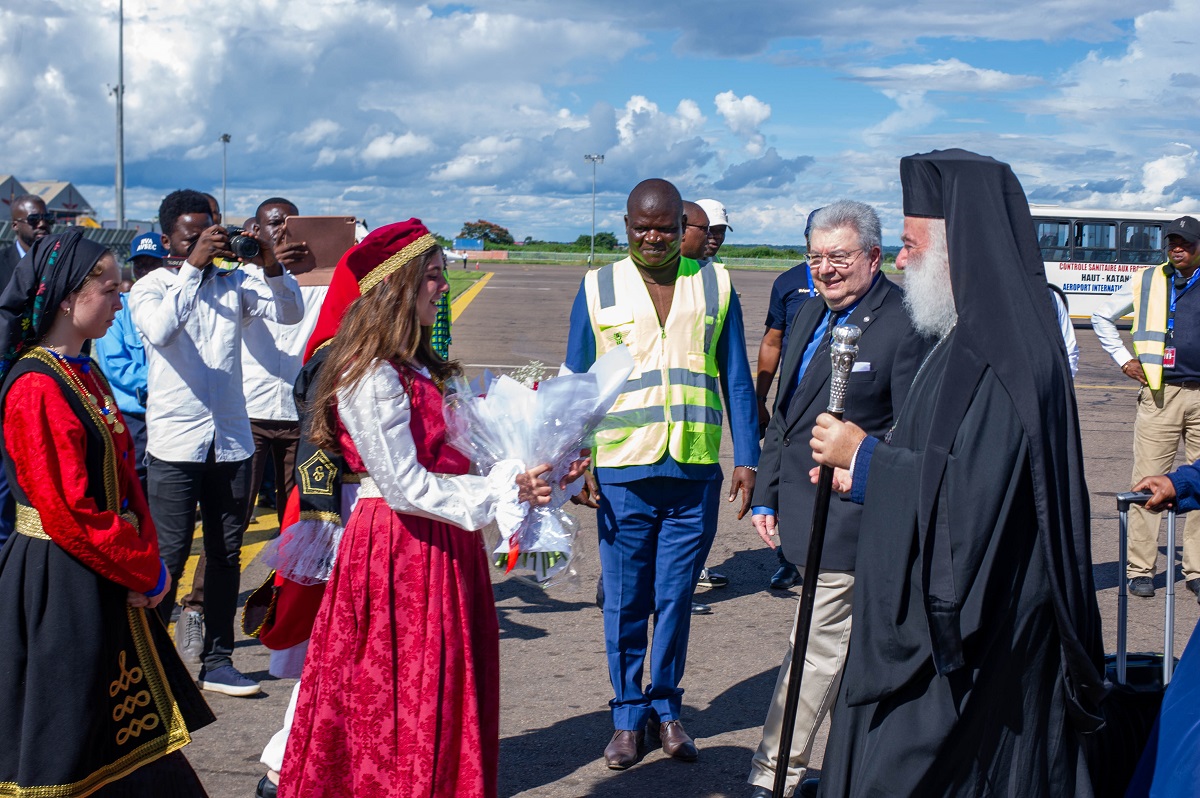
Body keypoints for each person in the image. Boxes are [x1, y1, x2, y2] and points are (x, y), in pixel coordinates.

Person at [809, 149, 1106, 796]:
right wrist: (872, 468)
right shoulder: (975, 339)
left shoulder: (1004, 359)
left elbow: (970, 506)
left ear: (960, 248)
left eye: (912, 245)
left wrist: (865, 459)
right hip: (992, 612)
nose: (900, 260)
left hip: (978, 627)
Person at [279, 219, 575, 798]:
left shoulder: (418, 368)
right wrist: (504, 489)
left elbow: (463, 460)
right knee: (397, 689)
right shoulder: (369, 373)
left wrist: (542, 468)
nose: (442, 287)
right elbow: (405, 485)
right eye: (432, 277)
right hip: (399, 545)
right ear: (396, 286)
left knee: (437, 684)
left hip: (440, 543)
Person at [0, 229, 214, 795]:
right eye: (110, 287)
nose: (121, 299)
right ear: (70, 295)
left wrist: (147, 561)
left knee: (114, 736)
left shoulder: (83, 373)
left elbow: (123, 479)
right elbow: (69, 509)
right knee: (66, 737)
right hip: (59, 579)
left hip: (99, 568)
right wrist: (146, 571)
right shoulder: (35, 385)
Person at [565, 179, 759, 769]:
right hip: (622, 468)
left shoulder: (717, 284)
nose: (653, 238)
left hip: (694, 468)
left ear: (685, 226)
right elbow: (575, 385)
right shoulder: (598, 288)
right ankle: (627, 717)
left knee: (675, 599)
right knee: (625, 601)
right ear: (625, 225)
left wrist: (747, 457)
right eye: (641, 227)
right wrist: (576, 460)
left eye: (665, 228)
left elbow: (738, 379)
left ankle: (667, 709)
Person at [746, 200, 928, 798]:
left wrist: (865, 457)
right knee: (827, 651)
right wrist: (768, 494)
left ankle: (773, 775)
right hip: (800, 511)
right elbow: (787, 420)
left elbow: (914, 433)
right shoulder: (808, 313)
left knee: (815, 652)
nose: (825, 270)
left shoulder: (905, 323)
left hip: (854, 518)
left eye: (839, 257)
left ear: (873, 258)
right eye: (815, 257)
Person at [130, 189, 303, 696]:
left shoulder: (235, 282)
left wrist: (269, 261)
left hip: (230, 442)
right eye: (192, 237)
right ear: (169, 242)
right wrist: (193, 268)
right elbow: (162, 330)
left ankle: (218, 661)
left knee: (227, 554)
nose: (206, 243)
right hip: (176, 445)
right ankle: (146, 665)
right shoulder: (151, 286)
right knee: (169, 555)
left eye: (212, 233)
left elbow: (289, 313)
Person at [1091, 215, 1200, 599]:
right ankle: (1140, 568)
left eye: (1185, 241)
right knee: (1147, 482)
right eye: (1172, 241)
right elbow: (1101, 314)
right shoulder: (1150, 279)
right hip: (1161, 394)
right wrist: (1123, 359)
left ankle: (1197, 568)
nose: (1177, 247)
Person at [241, 197, 325, 526]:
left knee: (296, 517)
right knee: (235, 512)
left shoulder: (318, 279)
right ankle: (215, 581)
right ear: (256, 229)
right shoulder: (241, 278)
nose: (283, 230)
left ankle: (286, 579)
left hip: (298, 412)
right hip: (250, 412)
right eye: (275, 223)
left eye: (291, 223)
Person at [754, 208, 821, 591]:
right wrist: (760, 397)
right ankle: (789, 559)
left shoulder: (852, 280)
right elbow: (772, 340)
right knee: (786, 478)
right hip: (792, 398)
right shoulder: (789, 282)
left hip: (838, 394)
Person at [94, 232, 168, 497]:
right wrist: (169, 379)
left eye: (153, 263)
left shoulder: (179, 307)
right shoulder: (118, 311)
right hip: (135, 416)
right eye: (140, 264)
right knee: (135, 480)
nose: (145, 271)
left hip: (173, 413)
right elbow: (116, 366)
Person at [0, 194, 52, 289]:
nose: (42, 224)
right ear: (15, 225)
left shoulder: (63, 262)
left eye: (47, 218)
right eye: (33, 219)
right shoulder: (2, 264)